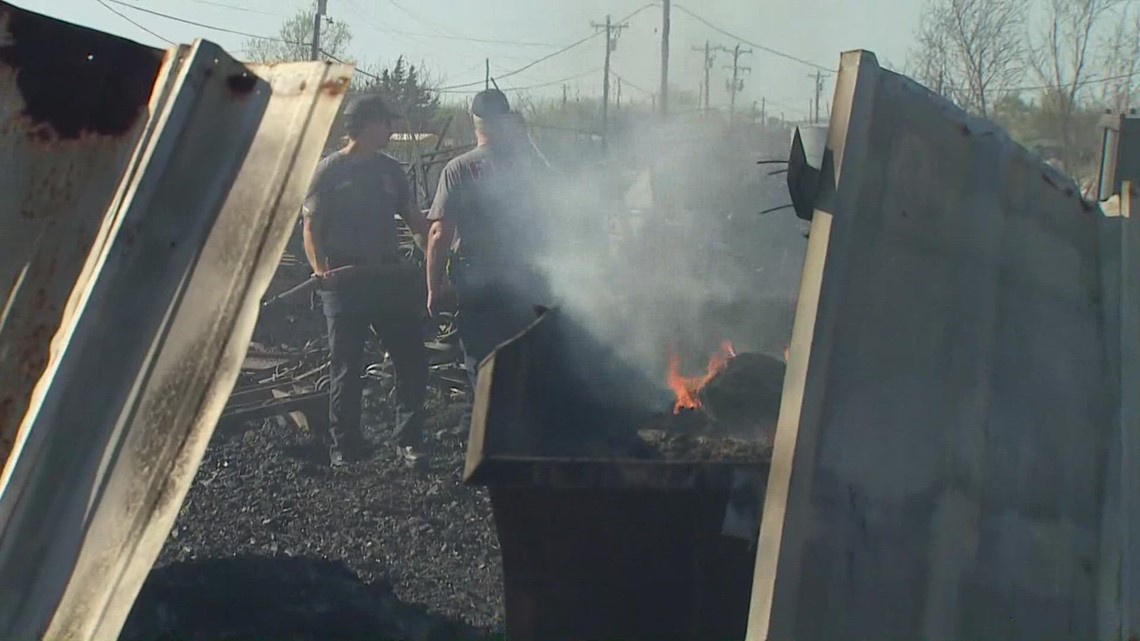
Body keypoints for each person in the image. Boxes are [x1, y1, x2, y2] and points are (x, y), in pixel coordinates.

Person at [301, 94, 432, 466]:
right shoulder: (329, 171)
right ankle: (345, 446)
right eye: (385, 123)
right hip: (344, 281)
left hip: (387, 277)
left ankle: (408, 440)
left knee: (411, 357)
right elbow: (311, 227)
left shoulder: (391, 171)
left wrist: (436, 247)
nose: (390, 130)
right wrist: (320, 269)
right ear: (368, 125)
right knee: (347, 365)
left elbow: (413, 219)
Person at [424, 89, 552, 403]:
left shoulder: (459, 168)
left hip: (477, 279)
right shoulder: (530, 167)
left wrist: (433, 286)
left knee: (482, 361)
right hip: (525, 276)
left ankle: (487, 432)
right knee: (523, 356)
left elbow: (439, 234)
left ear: (474, 122)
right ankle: (522, 428)